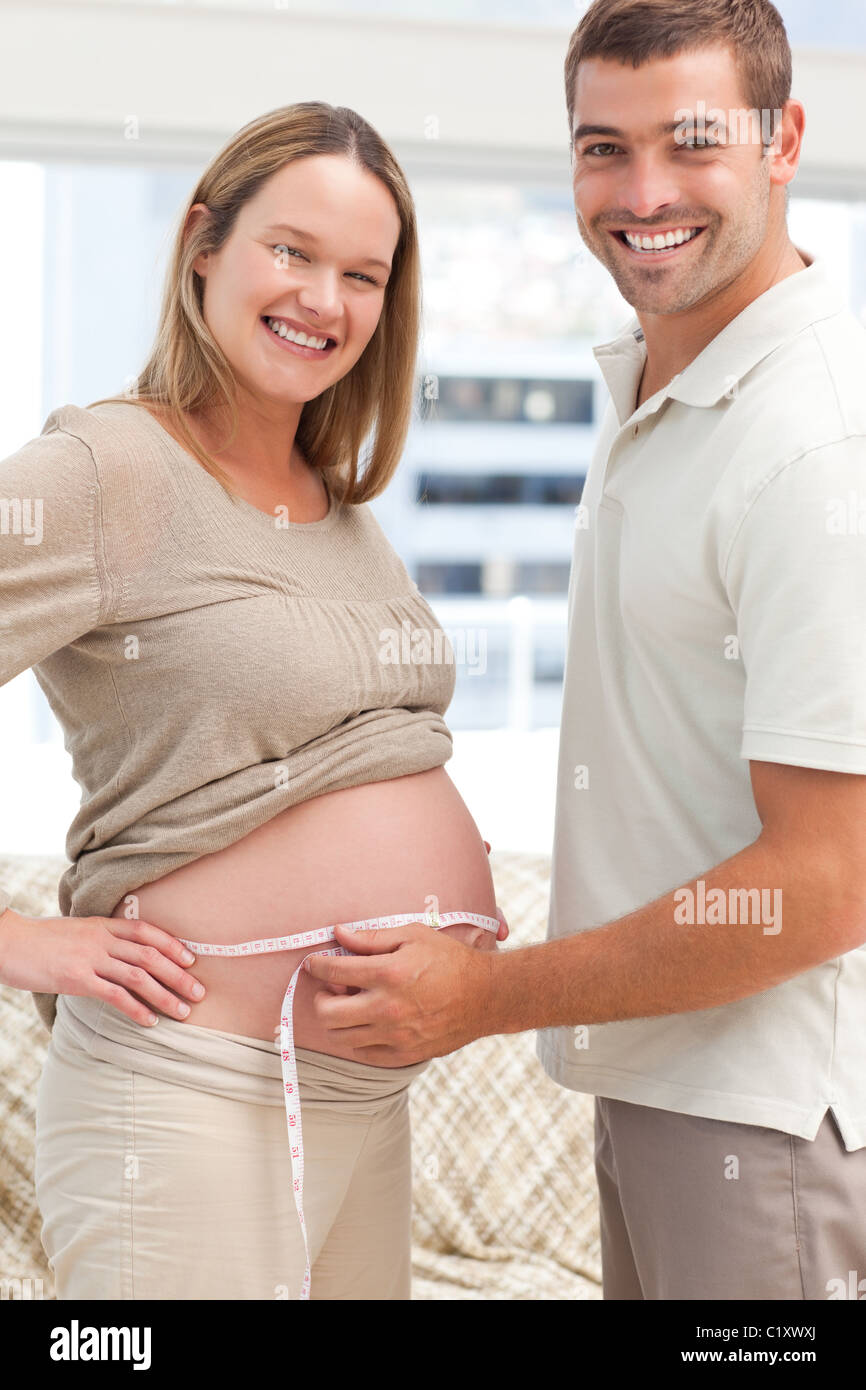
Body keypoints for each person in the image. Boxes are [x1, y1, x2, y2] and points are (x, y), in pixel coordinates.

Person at [303, 0, 866, 1300]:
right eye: (601, 147)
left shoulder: (813, 446)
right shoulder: (660, 393)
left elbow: (827, 877)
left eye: (688, 142)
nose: (641, 191)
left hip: (763, 1121)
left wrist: (481, 994)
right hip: (662, 1090)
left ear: (783, 140)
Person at [0, 100, 507, 1301]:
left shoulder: (336, 504)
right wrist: (21, 943)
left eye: (361, 274)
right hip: (183, 1093)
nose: (323, 301)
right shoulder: (103, 471)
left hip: (359, 1100)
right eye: (291, 251)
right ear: (204, 245)